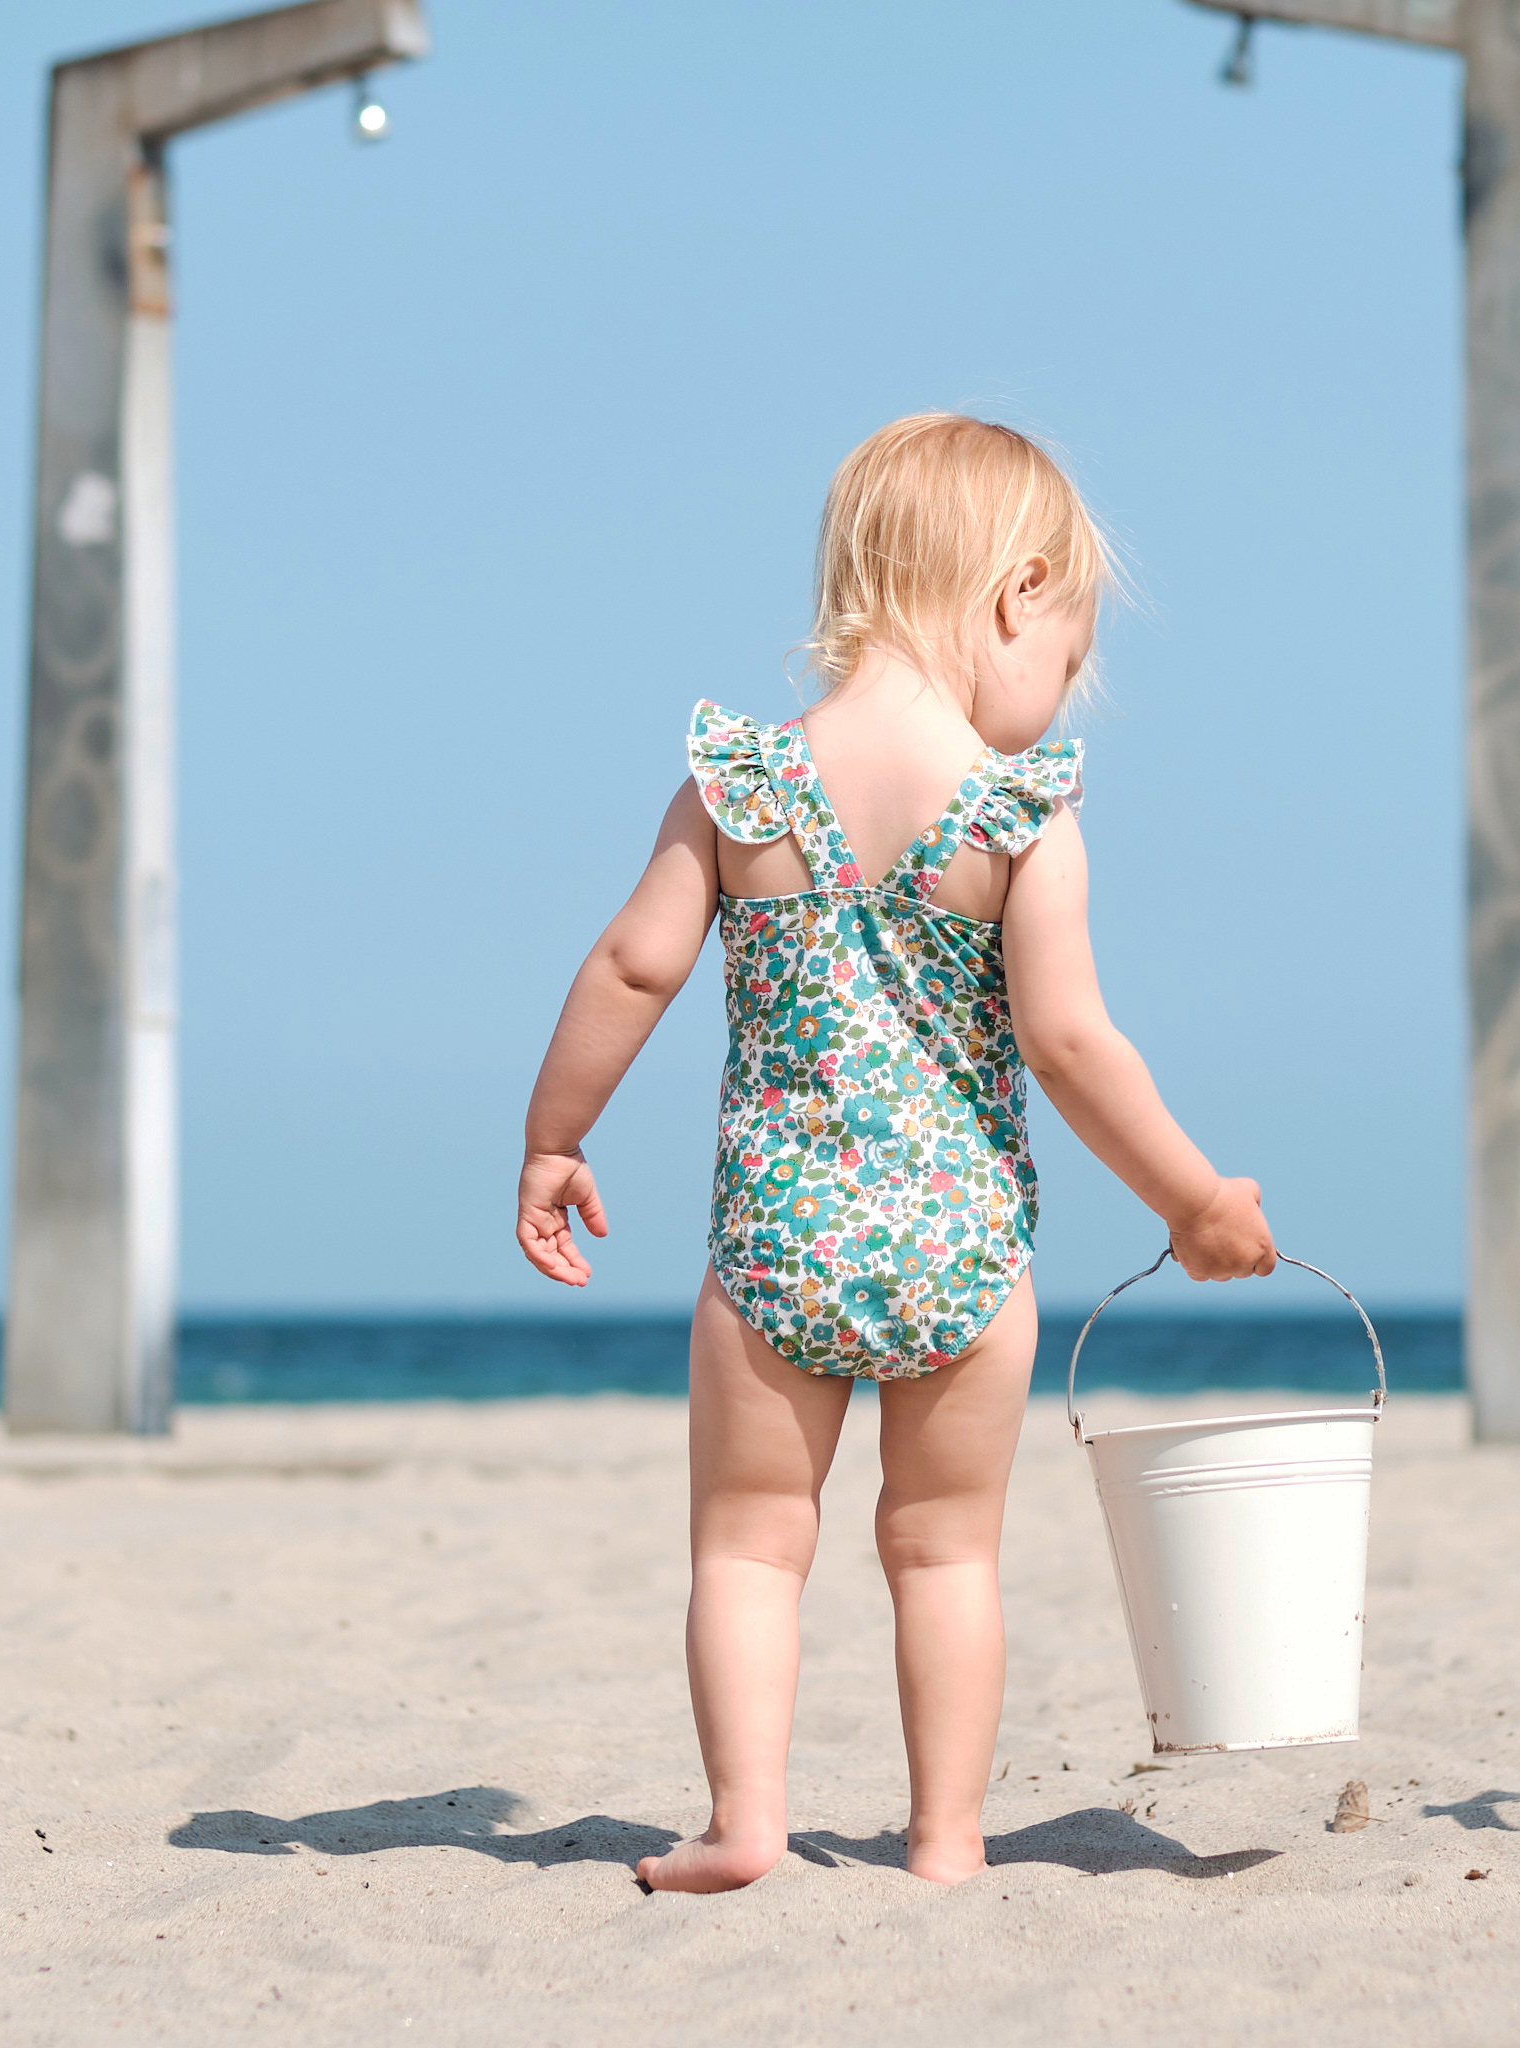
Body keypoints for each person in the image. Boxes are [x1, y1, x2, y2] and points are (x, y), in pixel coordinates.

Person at [516, 413, 1275, 1893]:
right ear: (1018, 593)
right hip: (960, 1251)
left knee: (747, 1549)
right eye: (1064, 660)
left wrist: (557, 1138)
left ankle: (745, 1821)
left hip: (778, 1244)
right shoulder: (1014, 813)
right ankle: (944, 1840)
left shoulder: (741, 784)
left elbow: (629, 969)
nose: (1051, 707)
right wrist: (1193, 1202)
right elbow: (1070, 1045)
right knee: (944, 1556)